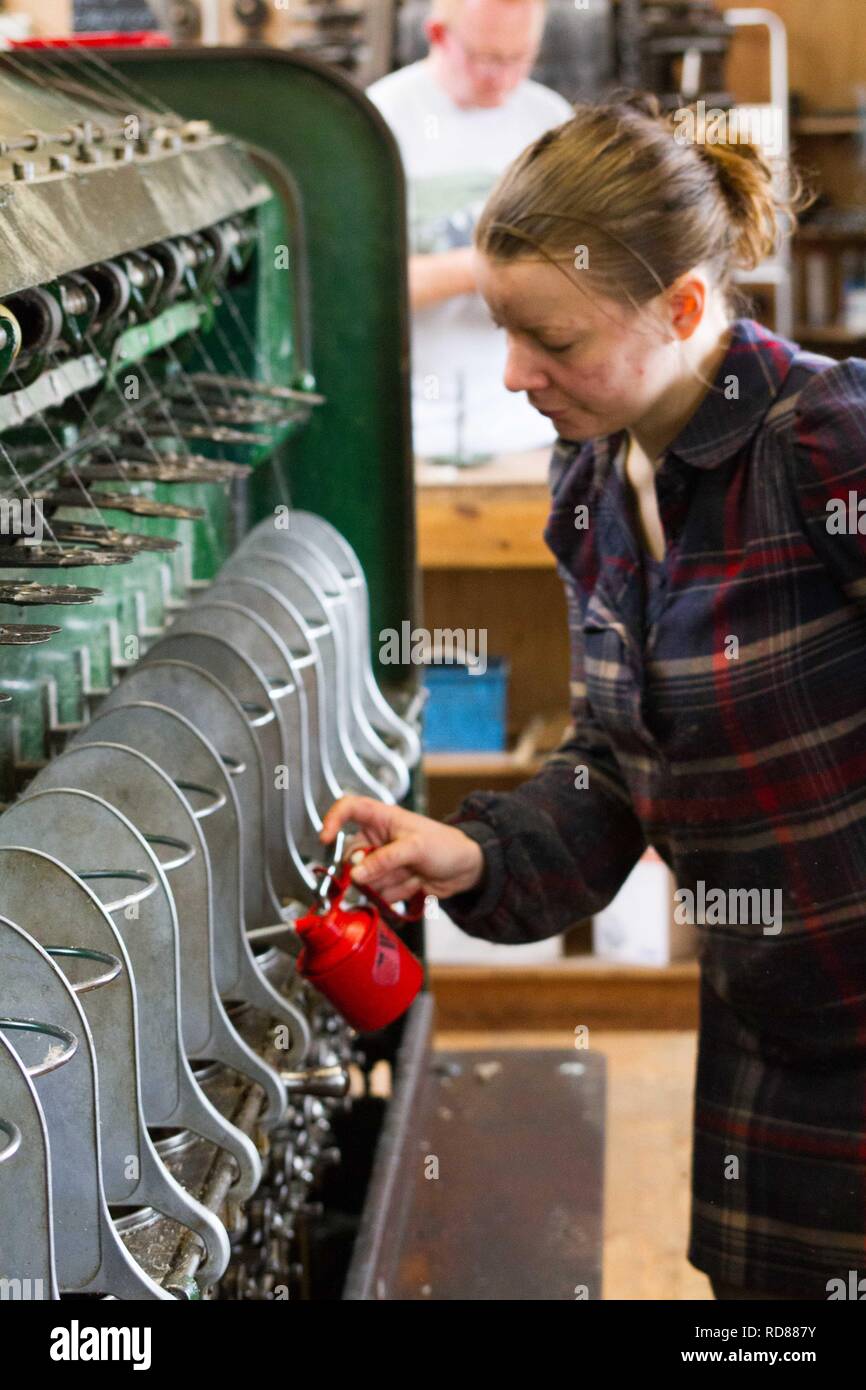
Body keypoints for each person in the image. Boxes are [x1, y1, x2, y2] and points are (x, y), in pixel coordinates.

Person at [322, 92, 866, 1301]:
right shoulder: (595, 481)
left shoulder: (823, 441)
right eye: (500, 330)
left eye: (552, 341)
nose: (516, 374)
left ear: (680, 308)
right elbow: (619, 759)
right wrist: (475, 852)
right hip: (770, 1036)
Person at [367, 0, 572, 461]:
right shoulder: (381, 122)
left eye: (518, 58)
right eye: (484, 58)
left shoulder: (550, 122)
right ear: (438, 34)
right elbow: (360, 290)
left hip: (528, 425)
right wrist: (487, 266)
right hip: (411, 427)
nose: (501, 76)